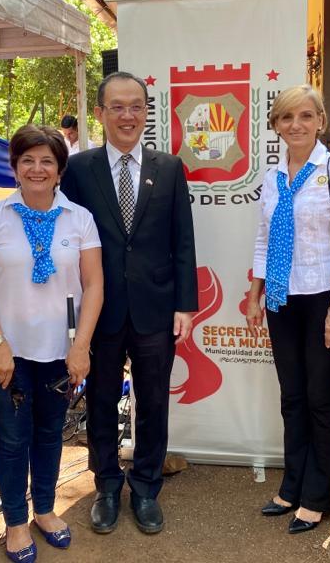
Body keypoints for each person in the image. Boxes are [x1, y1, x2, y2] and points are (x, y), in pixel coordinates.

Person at [59, 71, 198, 536]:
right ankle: (105, 486)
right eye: (116, 106)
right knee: (99, 398)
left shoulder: (171, 167)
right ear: (100, 113)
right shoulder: (78, 170)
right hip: (100, 310)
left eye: (136, 106)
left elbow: (183, 241)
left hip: (156, 307)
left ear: (146, 112)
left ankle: (145, 488)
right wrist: (74, 314)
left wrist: (185, 304)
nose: (127, 115)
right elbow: (70, 241)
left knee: (154, 399)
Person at [0, 124, 103, 563]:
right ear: (15, 166)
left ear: (60, 169)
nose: (37, 168)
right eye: (28, 160)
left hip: (60, 350)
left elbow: (93, 285)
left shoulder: (78, 218)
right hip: (4, 353)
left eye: (47, 161)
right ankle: (16, 522)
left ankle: (44, 509)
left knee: (48, 433)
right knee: (12, 437)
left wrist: (81, 344)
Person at [245, 84, 330, 534]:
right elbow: (262, 239)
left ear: (321, 121)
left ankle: (320, 494)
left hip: (323, 299)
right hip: (280, 297)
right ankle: (292, 485)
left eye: (306, 116)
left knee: (320, 399)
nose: (296, 125)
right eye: (286, 118)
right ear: (275, 125)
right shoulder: (271, 177)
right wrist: (255, 294)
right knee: (291, 397)